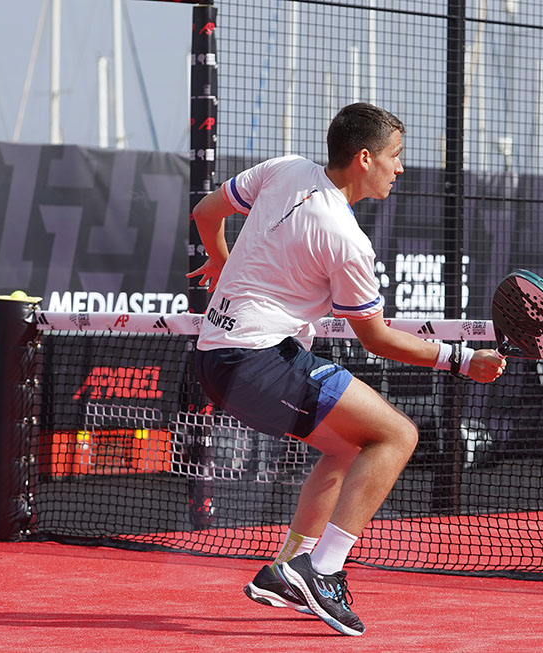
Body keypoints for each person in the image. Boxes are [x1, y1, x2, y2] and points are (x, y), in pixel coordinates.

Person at [186, 102, 506, 637]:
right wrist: (463, 360)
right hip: (256, 361)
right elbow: (376, 339)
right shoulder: (347, 240)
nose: (400, 167)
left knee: (346, 449)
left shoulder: (284, 168)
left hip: (215, 356)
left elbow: (204, 211)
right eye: (394, 155)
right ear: (364, 158)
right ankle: (324, 569)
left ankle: (286, 570)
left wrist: (221, 261)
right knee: (397, 435)